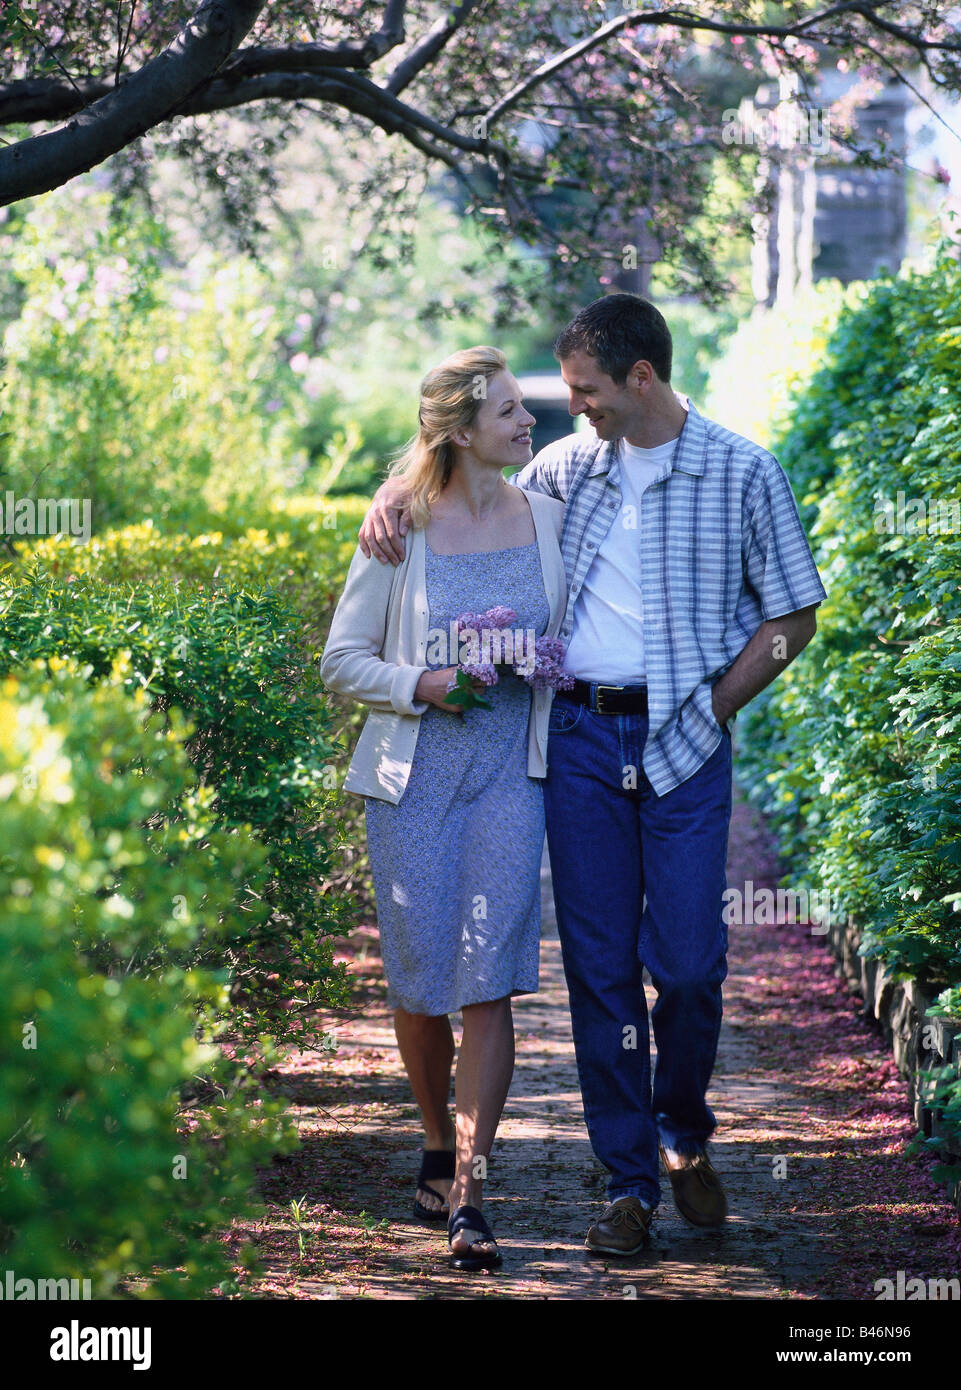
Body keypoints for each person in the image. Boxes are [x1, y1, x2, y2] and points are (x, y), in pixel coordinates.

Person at [357, 294, 828, 1255]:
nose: (570, 408)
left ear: (639, 378)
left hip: (687, 745)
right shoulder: (564, 474)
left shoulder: (743, 473)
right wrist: (391, 498)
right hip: (576, 743)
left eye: (584, 390)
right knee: (599, 970)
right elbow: (464, 498)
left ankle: (682, 1134)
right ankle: (626, 1186)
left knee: (689, 967)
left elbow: (791, 621)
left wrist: (713, 703)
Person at [320, 346, 567, 1271]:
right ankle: (434, 1135)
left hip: (510, 776)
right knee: (421, 984)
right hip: (412, 783)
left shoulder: (546, 514)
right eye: (507, 411)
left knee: (489, 979)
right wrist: (422, 679)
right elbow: (340, 662)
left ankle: (471, 1188)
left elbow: (564, 636)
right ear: (461, 429)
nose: (525, 421)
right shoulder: (399, 529)